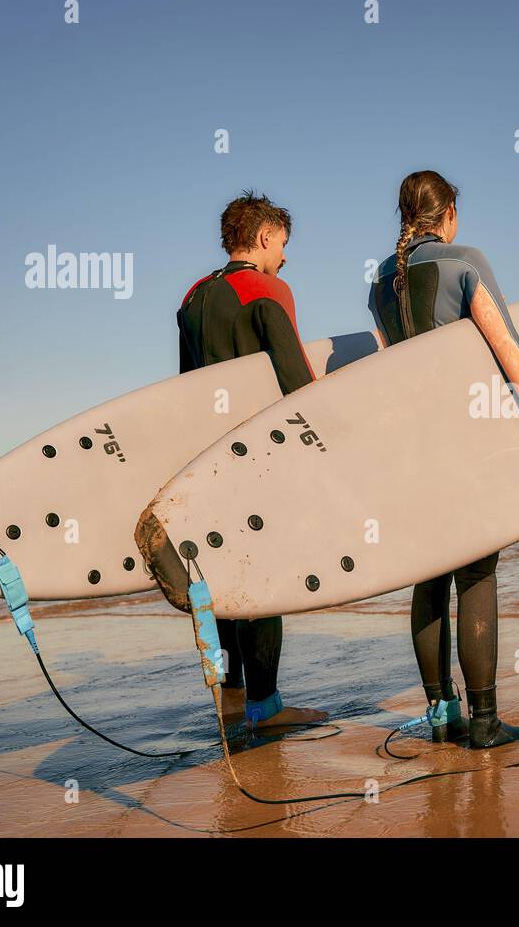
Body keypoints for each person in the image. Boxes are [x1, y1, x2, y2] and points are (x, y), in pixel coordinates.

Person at [367, 170, 519, 748]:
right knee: (477, 571)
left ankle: (440, 714)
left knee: (429, 578)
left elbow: (386, 373)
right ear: (447, 213)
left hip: (410, 452)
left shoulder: (381, 283)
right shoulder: (464, 260)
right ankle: (484, 723)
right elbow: (507, 344)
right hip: (464, 446)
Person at [176, 190, 328, 731]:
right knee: (262, 575)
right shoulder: (266, 288)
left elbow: (188, 388)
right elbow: (297, 385)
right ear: (263, 237)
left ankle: (235, 693)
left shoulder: (194, 298)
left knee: (227, 570)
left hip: (210, 457)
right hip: (261, 453)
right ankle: (267, 709)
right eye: (282, 244)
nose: (284, 256)